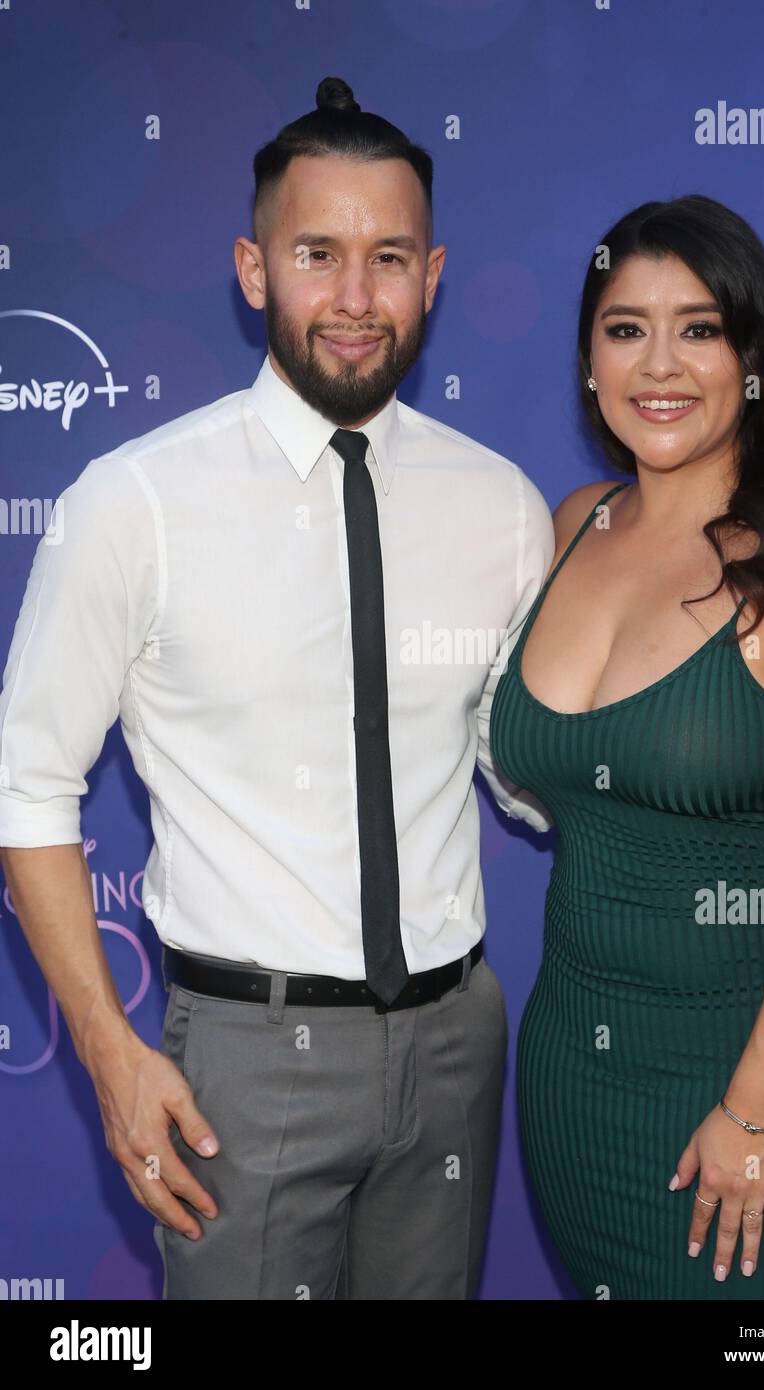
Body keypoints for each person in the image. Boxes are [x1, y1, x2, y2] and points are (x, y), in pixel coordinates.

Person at [0, 77, 554, 1300]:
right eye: (318, 254)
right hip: (242, 1064)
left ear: (436, 273)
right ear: (254, 270)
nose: (356, 299)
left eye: (390, 257)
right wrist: (108, 1051)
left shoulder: (501, 504)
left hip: (458, 1043)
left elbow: (526, 769)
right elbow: (24, 785)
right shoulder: (133, 503)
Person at [486, 194, 764, 1299]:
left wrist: (753, 1104)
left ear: (751, 353)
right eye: (625, 327)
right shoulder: (571, 521)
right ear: (588, 358)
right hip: (582, 1072)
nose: (658, 364)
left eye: (699, 327)